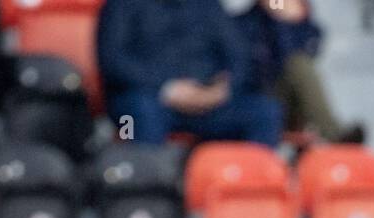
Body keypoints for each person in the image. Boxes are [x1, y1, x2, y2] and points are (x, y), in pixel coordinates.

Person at [97, 0, 282, 148]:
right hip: (149, 99)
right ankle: (149, 188)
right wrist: (167, 89)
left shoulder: (206, 4)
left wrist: (222, 89)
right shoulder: (121, 4)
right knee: (140, 111)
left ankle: (249, 185)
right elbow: (113, 61)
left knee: (265, 111)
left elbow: (238, 54)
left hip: (208, 101)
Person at [224, 0, 364, 144]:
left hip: (287, 101)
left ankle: (328, 139)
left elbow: (304, 49)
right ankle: (335, 135)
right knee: (298, 67)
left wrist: (287, 19)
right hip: (255, 100)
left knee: (299, 67)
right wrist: (276, 12)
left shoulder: (302, 26)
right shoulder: (241, 24)